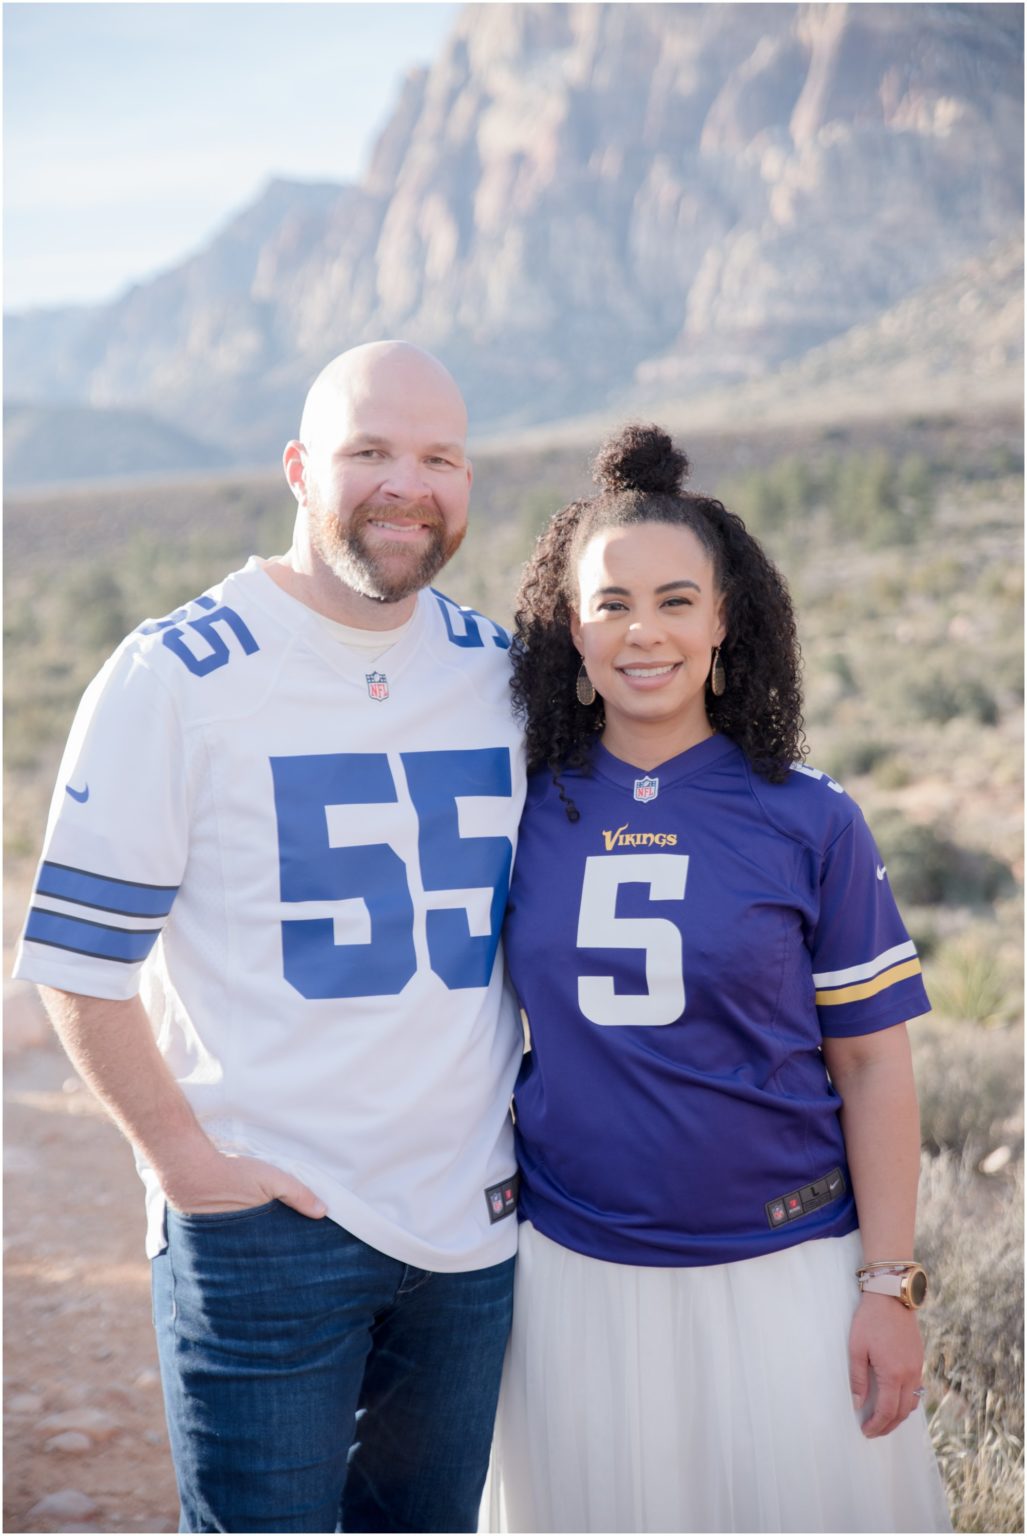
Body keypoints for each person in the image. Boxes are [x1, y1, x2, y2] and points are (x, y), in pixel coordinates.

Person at [13, 341, 527, 1534]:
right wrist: (185, 1164)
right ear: (299, 469)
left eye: (438, 458)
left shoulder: (500, 671)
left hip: (471, 1229)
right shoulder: (175, 675)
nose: (407, 485)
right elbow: (79, 964)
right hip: (268, 1231)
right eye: (369, 452)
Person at [489, 424, 951, 1533]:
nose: (642, 631)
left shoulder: (809, 817)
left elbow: (872, 1066)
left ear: (723, 619)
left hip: (783, 1267)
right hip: (571, 1272)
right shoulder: (513, 809)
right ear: (570, 625)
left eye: (675, 601)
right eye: (610, 603)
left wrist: (888, 1288)